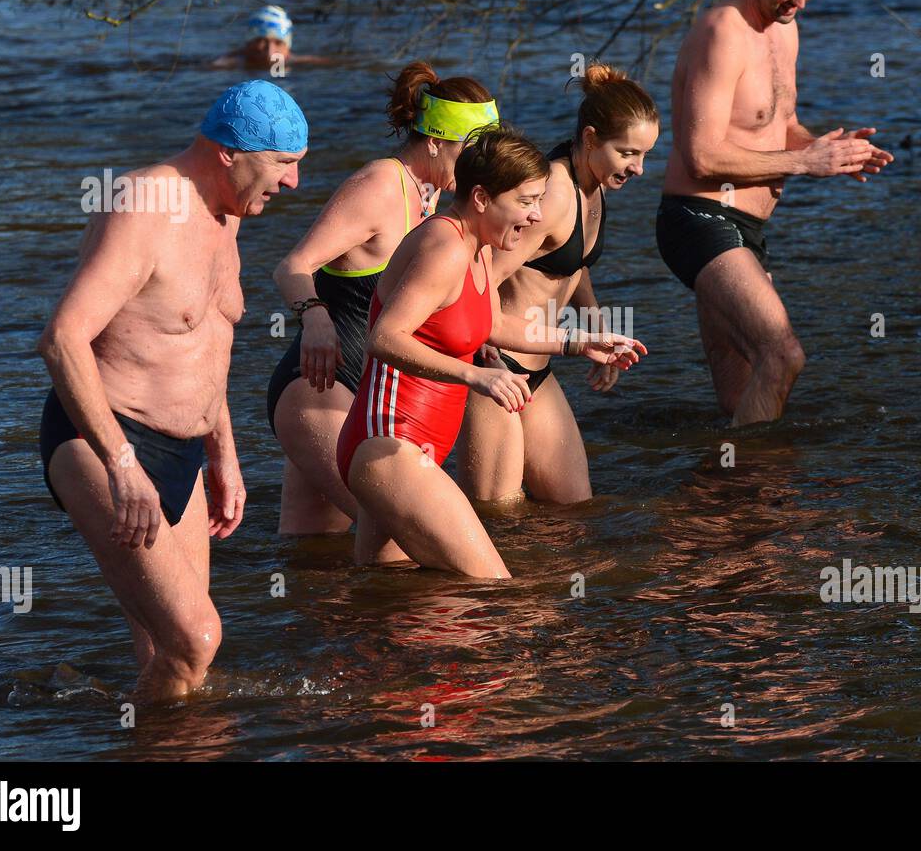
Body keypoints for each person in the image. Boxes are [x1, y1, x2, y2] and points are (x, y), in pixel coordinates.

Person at [36, 79, 308, 702]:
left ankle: (135, 731)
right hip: (104, 437)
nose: (293, 184)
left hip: (182, 452)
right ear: (228, 154)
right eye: (284, 166)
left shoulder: (228, 213)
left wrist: (222, 453)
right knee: (197, 641)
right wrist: (121, 462)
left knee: (171, 658)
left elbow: (204, 343)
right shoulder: (147, 203)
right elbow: (62, 339)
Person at [336, 126, 647, 577]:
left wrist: (579, 341)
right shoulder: (444, 247)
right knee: (495, 593)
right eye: (525, 202)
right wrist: (475, 376)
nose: (537, 216)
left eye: (539, 201)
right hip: (391, 446)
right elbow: (385, 337)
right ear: (481, 198)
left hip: (411, 449)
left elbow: (494, 324)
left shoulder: (476, 246)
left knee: (396, 605)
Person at [656, 0, 893, 426]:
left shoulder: (786, 31)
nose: (801, 1)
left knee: (738, 397)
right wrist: (806, 163)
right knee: (783, 355)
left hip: (750, 229)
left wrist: (831, 148)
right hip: (699, 219)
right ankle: (764, 498)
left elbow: (780, 124)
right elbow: (701, 156)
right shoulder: (722, 31)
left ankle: (728, 500)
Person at [267, 64, 498, 556]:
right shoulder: (379, 183)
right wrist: (314, 315)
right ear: (434, 142)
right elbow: (293, 265)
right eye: (469, 152)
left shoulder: (441, 198)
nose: (481, 166)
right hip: (321, 387)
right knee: (403, 544)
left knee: (316, 559)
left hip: (372, 398)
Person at [458, 63, 658, 504]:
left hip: (537, 367)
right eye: (628, 153)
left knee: (574, 509)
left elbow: (572, 265)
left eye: (645, 155)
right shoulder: (552, 194)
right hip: (497, 365)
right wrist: (482, 346)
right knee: (501, 516)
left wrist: (597, 330)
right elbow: (480, 270)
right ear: (590, 139)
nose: (639, 168)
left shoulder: (594, 184)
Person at [211, 5, 332, 71]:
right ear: (248, 44)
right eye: (261, 41)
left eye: (278, 43)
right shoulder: (227, 64)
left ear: (287, 47)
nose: (270, 52)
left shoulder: (303, 62)